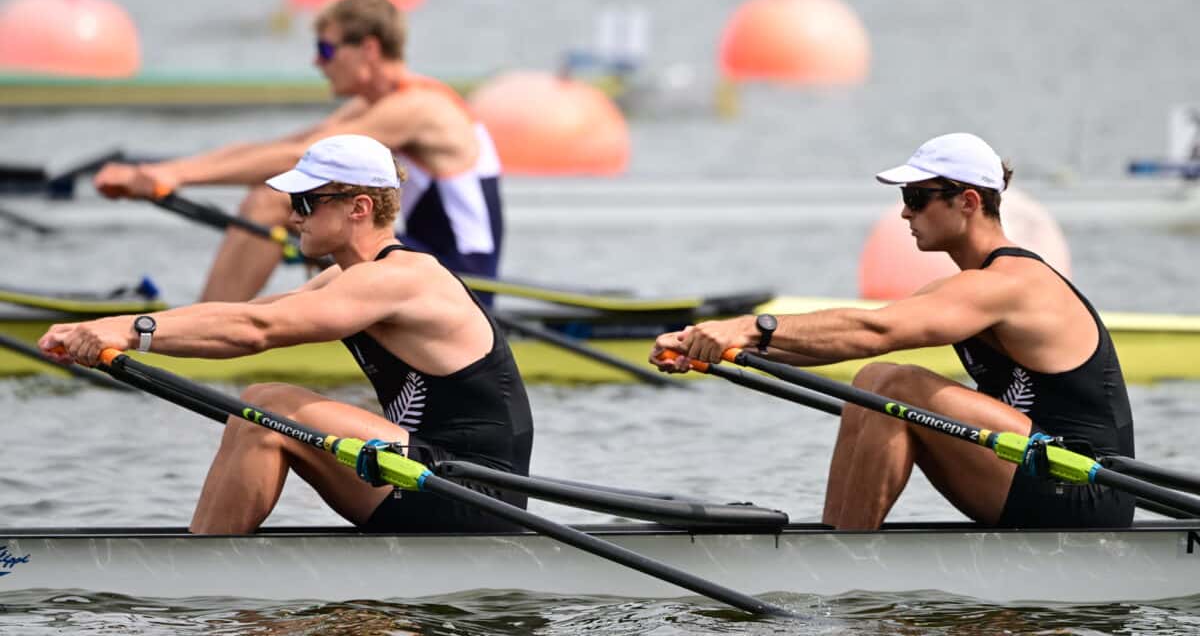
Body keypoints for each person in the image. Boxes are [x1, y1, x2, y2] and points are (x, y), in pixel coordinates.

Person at [42, 134, 533, 534]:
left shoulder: (403, 279)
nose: (294, 214)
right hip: (422, 475)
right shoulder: (346, 279)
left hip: (474, 491)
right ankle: (203, 554)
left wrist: (129, 329)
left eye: (307, 200)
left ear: (359, 207)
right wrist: (106, 332)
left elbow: (257, 331)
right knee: (249, 414)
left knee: (269, 406)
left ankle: (202, 576)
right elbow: (237, 318)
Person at [650, 132, 1135, 531]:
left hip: (1083, 486)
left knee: (899, 385)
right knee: (873, 379)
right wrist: (718, 348)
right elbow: (845, 343)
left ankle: (846, 563)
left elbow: (874, 328)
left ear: (967, 201)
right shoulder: (961, 287)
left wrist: (746, 325)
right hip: (1029, 469)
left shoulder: (1013, 285)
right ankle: (837, 537)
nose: (905, 213)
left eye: (917, 198)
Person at [92, 0, 503, 303]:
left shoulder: (419, 108)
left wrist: (176, 177)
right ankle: (223, 318)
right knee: (301, 203)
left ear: (369, 50)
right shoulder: (372, 105)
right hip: (422, 261)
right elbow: (282, 148)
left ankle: (207, 329)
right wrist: (162, 171)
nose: (316, 62)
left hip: (462, 283)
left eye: (326, 49)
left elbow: (294, 161)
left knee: (274, 202)